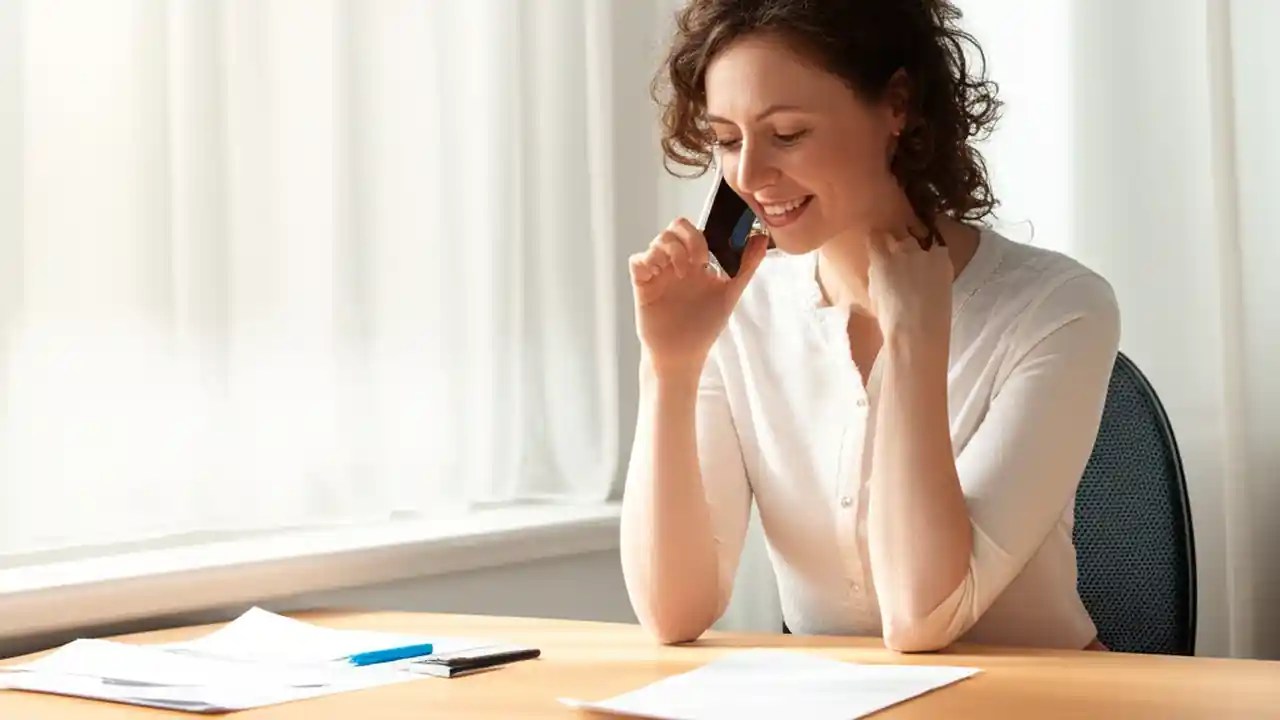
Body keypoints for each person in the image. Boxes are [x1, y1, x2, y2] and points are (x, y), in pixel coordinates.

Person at [620, 0, 1119, 653]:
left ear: (897, 106)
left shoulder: (1058, 307)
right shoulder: (740, 313)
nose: (747, 175)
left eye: (788, 134)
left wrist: (914, 340)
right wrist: (670, 369)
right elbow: (672, 614)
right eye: (728, 139)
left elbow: (922, 618)